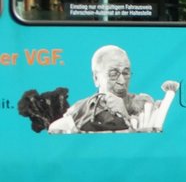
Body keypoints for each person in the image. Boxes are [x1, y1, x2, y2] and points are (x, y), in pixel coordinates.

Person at [48, 45, 178, 133]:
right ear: (96, 78)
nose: (122, 81)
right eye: (113, 74)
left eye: (126, 73)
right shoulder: (81, 109)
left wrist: (125, 116)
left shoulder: (144, 106)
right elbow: (56, 129)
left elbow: (150, 141)